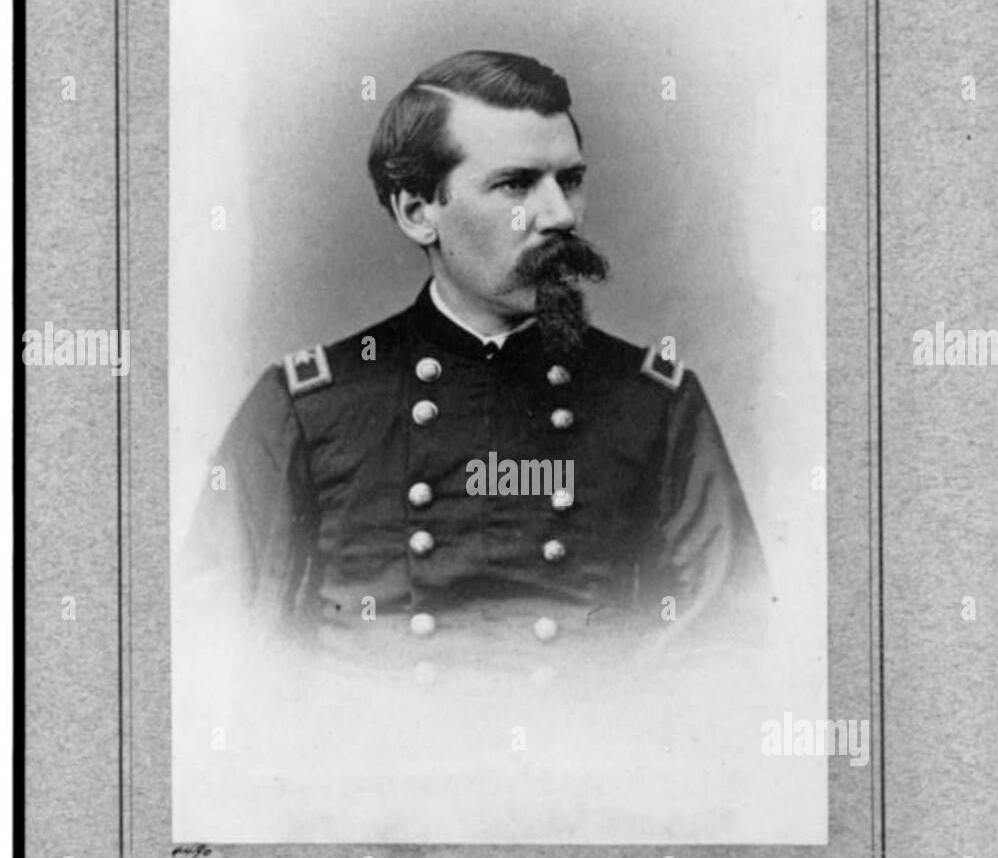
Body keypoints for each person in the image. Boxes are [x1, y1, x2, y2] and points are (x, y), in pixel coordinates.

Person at [183, 50, 769, 677]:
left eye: (569, 180)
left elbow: (728, 647)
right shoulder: (305, 406)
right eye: (516, 184)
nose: (561, 215)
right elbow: (216, 651)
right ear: (417, 212)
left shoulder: (655, 402)